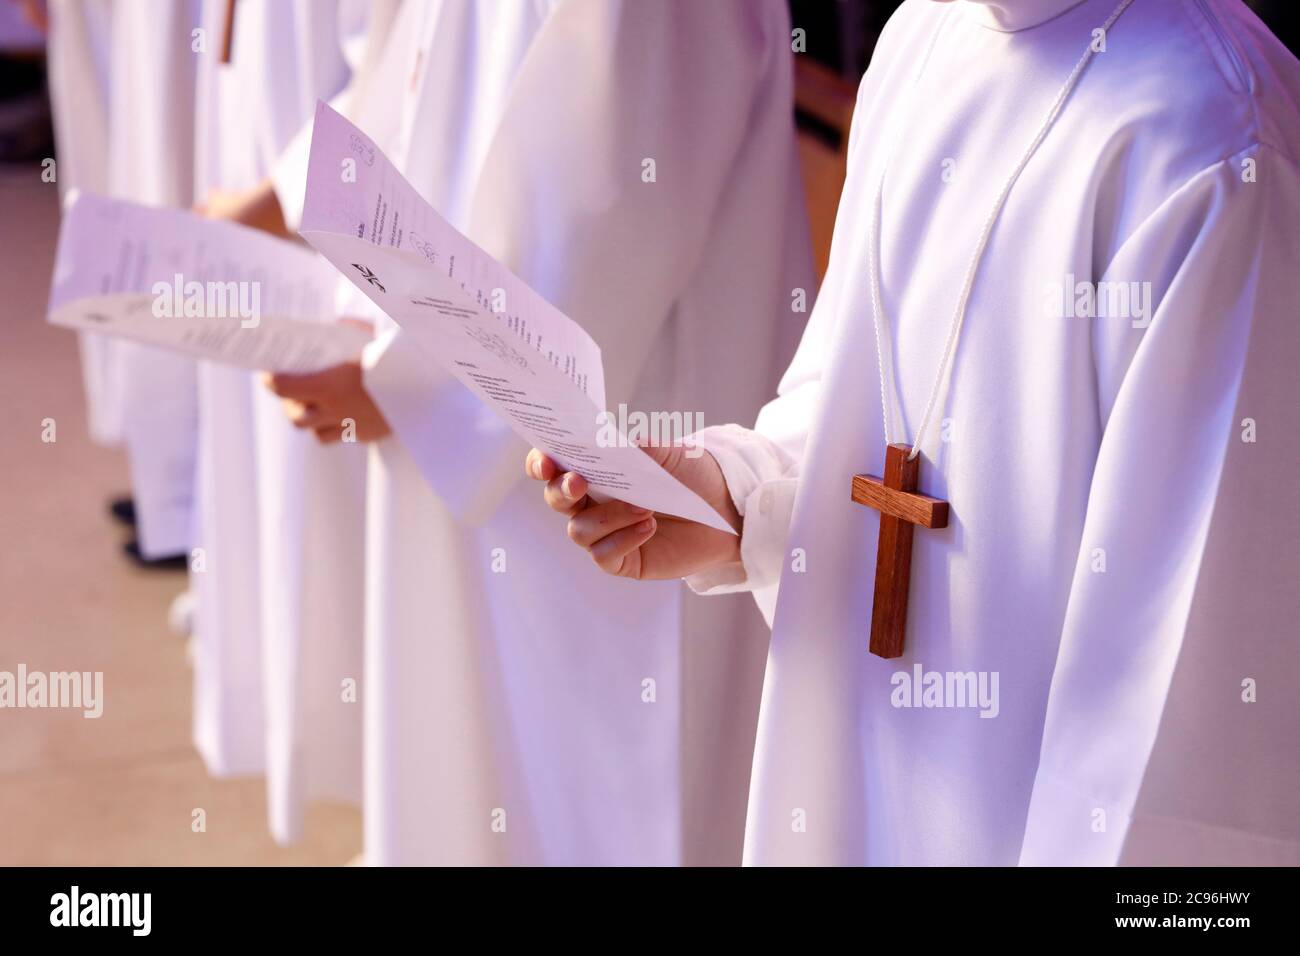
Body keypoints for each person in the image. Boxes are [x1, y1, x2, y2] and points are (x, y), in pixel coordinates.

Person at [527, 0, 1300, 865]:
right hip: (850, 787)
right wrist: (729, 498)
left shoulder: (1214, 138)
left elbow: (1178, 724)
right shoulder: (922, 35)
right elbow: (855, 394)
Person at [264, 0, 814, 864]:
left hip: (609, 423)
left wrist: (407, 383)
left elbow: (613, 219)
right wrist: (359, 313)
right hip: (445, 371)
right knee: (468, 733)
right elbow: (402, 89)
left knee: (589, 772)